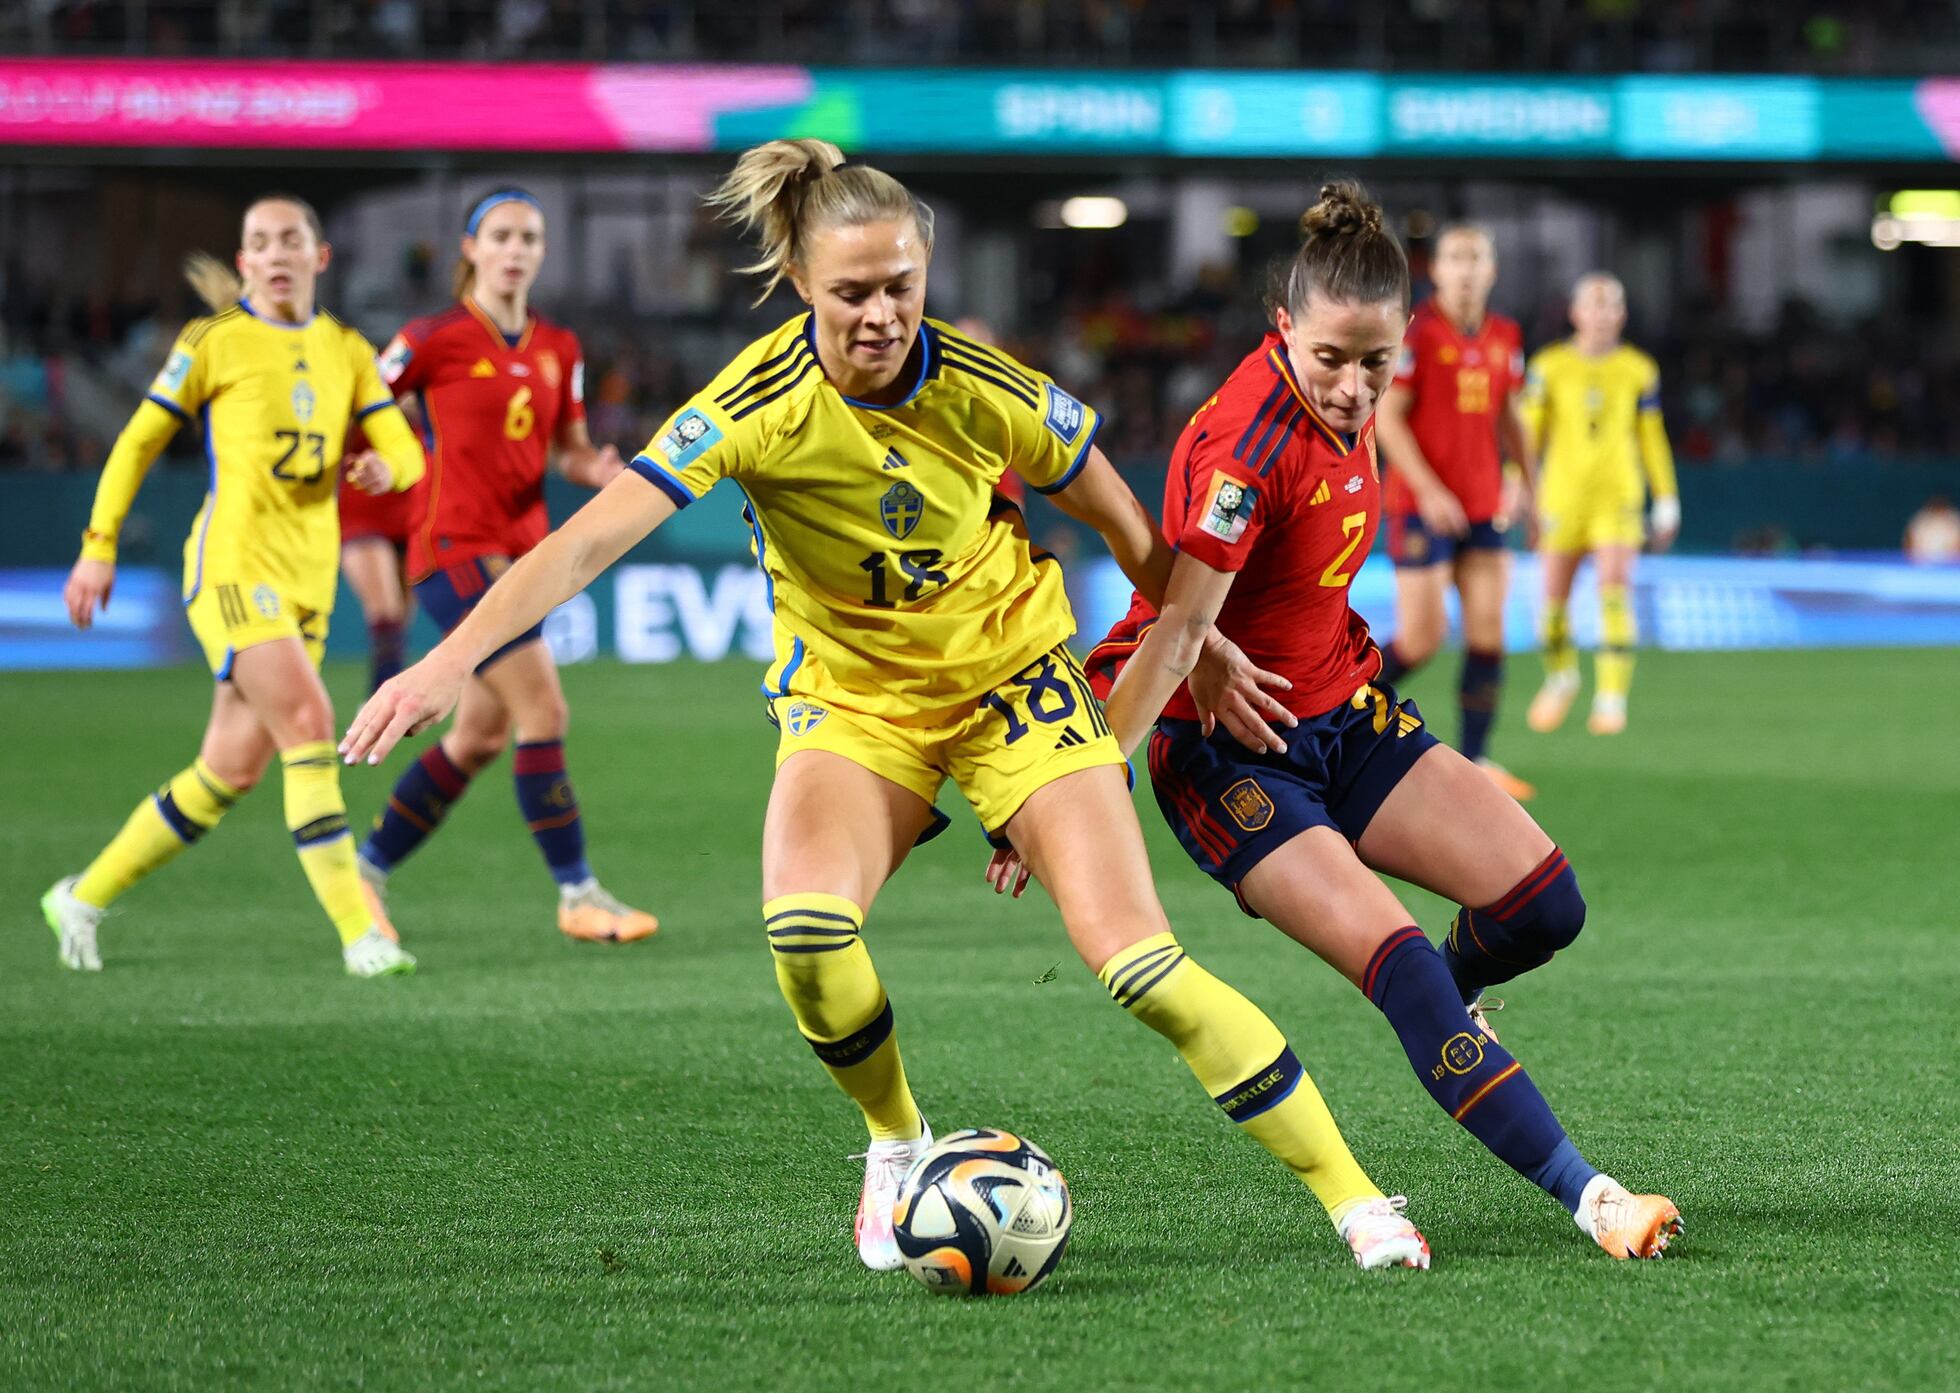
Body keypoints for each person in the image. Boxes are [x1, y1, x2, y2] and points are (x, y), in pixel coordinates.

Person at [343, 140, 1430, 1274]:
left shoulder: (990, 386)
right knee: (806, 932)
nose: (878, 314)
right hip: (855, 706)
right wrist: (447, 661)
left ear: (926, 273)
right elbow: (584, 546)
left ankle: (1356, 1202)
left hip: (1017, 689)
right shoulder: (753, 402)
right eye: (851, 292)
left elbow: (1134, 538)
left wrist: (1197, 650)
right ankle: (896, 1142)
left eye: (899, 287)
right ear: (804, 286)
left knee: (1139, 965)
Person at [1070, 183, 1681, 1260]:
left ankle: (1458, 997)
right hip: (1228, 757)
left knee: (1544, 903)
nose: (1353, 390)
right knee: (1398, 962)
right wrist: (1080, 789)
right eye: (1330, 362)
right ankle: (1594, 1198)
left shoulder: (1351, 403)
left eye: (1375, 366)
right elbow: (1173, 630)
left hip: (1341, 712)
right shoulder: (1241, 455)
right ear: (1282, 332)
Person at [43, 194, 424, 978]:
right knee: (312, 723)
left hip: (308, 584)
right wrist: (98, 544)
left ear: (319, 257)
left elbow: (405, 448)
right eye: (260, 242)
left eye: (291, 240)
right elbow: (140, 439)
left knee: (227, 773)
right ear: (245, 262)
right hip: (231, 569)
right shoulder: (213, 341)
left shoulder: (348, 349)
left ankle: (80, 895)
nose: (276, 253)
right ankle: (362, 934)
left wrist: (390, 464)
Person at [353, 188, 659, 946]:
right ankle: (577, 892)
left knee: (481, 736)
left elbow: (570, 447)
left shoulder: (560, 347)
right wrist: (377, 458)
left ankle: (363, 870)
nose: (516, 248)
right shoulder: (433, 337)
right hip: (451, 547)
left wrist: (598, 470)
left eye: (529, 236)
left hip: (521, 559)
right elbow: (357, 397)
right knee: (544, 710)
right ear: (471, 249)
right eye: (501, 236)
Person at [1372, 224, 1536, 799]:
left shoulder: (1506, 336)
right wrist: (1432, 490)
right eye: (1455, 258)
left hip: (1485, 503)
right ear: (1435, 270)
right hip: (1420, 505)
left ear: (1491, 269)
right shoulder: (1416, 334)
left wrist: (1526, 483)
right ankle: (1326, 715)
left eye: (1477, 257)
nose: (1467, 268)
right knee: (1421, 640)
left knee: (1489, 634)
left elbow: (1511, 417)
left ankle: (1476, 763)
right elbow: (1387, 419)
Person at [1521, 274, 1679, 736]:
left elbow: (1651, 437)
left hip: (1618, 496)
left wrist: (1666, 497)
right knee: (1552, 602)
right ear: (1575, 313)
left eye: (1611, 305)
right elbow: (1531, 432)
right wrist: (1516, 482)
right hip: (1562, 496)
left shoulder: (1639, 369)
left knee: (1614, 591)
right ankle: (1561, 677)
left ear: (1622, 315)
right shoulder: (1549, 366)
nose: (1603, 313)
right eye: (1594, 304)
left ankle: (1611, 698)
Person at [337, 424, 424, 694]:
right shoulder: (361, 384)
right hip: (362, 509)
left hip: (412, 509)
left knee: (400, 620)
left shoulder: (421, 381)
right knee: (386, 614)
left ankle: (387, 705)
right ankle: (379, 705)